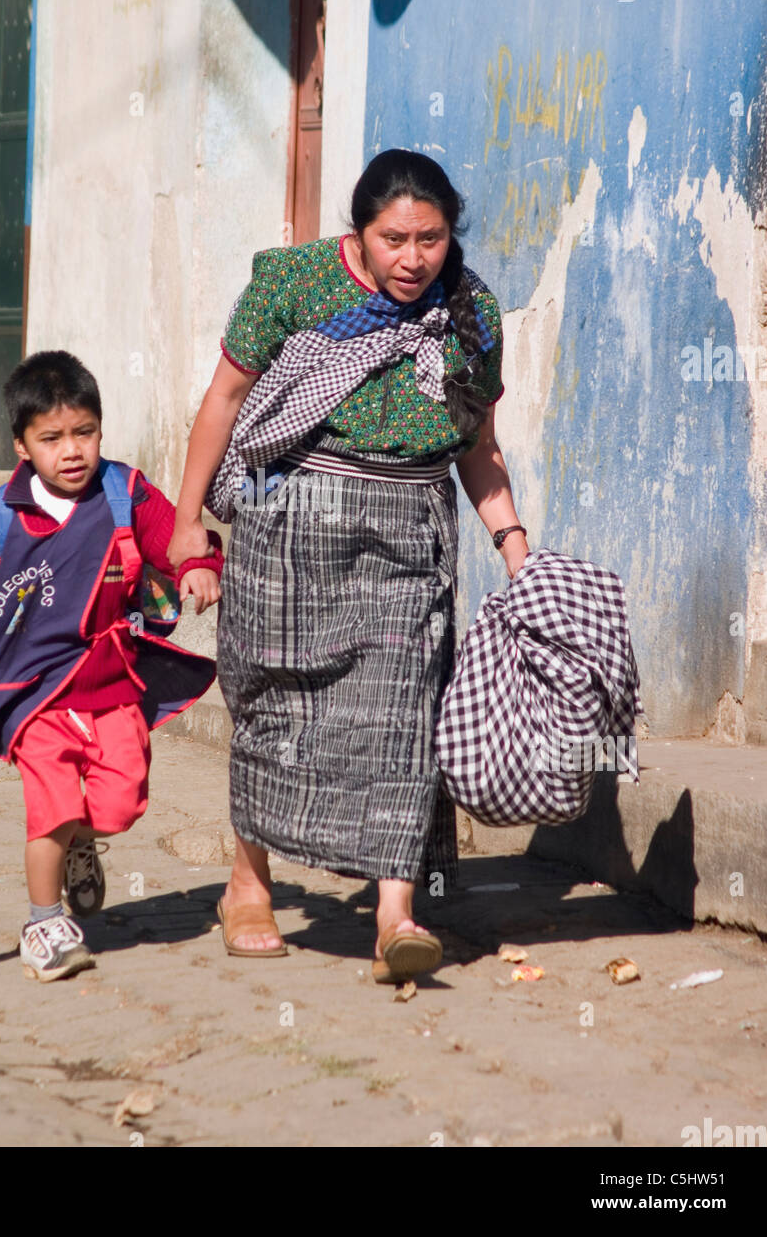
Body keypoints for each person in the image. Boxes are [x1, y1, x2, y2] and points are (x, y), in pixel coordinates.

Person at [167, 149, 529, 984]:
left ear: (451, 234)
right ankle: (248, 882)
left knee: (405, 714)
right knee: (273, 702)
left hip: (408, 527)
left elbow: (478, 445)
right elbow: (224, 398)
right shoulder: (291, 283)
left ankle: (394, 913)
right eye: (392, 238)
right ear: (357, 233)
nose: (412, 258)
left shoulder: (471, 312)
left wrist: (511, 541)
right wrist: (188, 521)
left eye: (430, 239)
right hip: (290, 519)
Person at [0, 351, 222, 982]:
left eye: (84, 432)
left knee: (120, 803)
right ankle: (43, 922)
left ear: (101, 431)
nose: (71, 450)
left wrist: (195, 567)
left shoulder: (123, 493)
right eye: (51, 438)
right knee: (50, 804)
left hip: (112, 683)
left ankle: (85, 843)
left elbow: (174, 536)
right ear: (22, 446)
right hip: (36, 695)